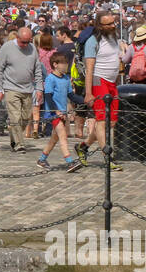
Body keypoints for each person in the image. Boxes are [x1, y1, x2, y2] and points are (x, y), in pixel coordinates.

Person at [75, 13, 127, 169]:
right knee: (101, 119)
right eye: (108, 24)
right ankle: (107, 156)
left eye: (113, 23)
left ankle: (84, 146)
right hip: (99, 80)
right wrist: (88, 92)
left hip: (111, 82)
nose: (113, 26)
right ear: (100, 26)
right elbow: (89, 69)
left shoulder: (114, 39)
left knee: (112, 121)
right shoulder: (93, 41)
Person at [0, 26, 45, 151]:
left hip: (27, 89)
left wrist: (39, 88)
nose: (25, 45)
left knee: (25, 118)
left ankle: (14, 136)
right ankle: (19, 145)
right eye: (23, 42)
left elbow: (37, 70)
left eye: (28, 42)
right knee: (15, 117)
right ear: (17, 37)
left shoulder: (32, 49)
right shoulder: (7, 48)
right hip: (10, 88)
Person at [37, 55, 79, 171]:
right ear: (55, 65)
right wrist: (56, 111)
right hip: (53, 114)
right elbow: (48, 97)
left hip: (63, 114)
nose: (66, 66)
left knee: (54, 139)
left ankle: (42, 159)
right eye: (63, 63)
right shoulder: (50, 78)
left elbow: (71, 96)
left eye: (66, 63)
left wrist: (86, 101)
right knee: (63, 136)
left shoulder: (66, 79)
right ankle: (69, 162)